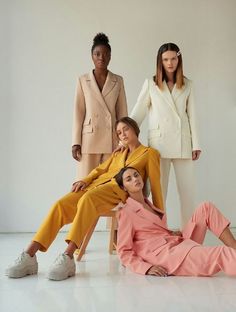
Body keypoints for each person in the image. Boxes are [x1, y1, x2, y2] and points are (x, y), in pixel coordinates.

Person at [6, 117, 163, 281]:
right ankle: (29, 254)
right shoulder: (118, 153)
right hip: (95, 187)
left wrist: (160, 216)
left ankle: (67, 257)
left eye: (125, 129)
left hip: (118, 193)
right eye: (118, 132)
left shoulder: (149, 153)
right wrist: (84, 180)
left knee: (88, 199)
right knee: (61, 204)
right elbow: (100, 170)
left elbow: (156, 185)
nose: (122, 134)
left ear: (135, 129)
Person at [115, 167, 236, 277]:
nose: (135, 179)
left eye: (136, 175)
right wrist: (146, 268)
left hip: (176, 243)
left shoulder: (150, 205)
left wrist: (171, 234)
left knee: (206, 207)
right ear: (124, 187)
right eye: (129, 179)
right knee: (222, 253)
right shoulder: (126, 212)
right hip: (168, 256)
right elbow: (124, 251)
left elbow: (154, 232)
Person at [130, 43, 201, 226]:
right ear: (160, 61)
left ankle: (189, 234)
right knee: (158, 193)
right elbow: (138, 113)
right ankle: (159, 232)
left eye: (173, 59)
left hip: (182, 143)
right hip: (158, 145)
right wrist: (125, 134)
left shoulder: (188, 84)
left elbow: (192, 116)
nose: (170, 63)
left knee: (187, 192)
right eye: (165, 59)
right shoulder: (151, 83)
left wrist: (196, 145)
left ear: (179, 59)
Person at [72, 33, 128, 179]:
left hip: (112, 140)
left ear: (110, 56)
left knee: (109, 184)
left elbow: (122, 113)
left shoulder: (118, 80)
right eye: (97, 54)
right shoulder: (83, 80)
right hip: (88, 140)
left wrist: (124, 140)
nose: (101, 58)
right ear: (92, 56)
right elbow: (79, 113)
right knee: (84, 183)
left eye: (105, 54)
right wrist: (75, 142)